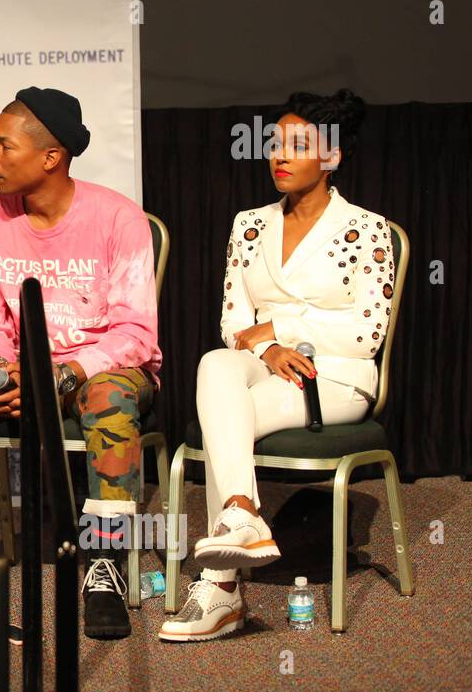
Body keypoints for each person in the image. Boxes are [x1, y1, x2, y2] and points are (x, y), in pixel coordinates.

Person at [0, 88, 162, 641]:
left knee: (109, 397)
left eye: (3, 144)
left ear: (51, 157)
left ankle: (104, 564)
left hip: (96, 372)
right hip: (17, 371)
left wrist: (58, 375)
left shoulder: (118, 218)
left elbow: (135, 333)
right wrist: (1, 371)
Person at [159, 89, 392, 642]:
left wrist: (284, 329)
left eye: (297, 145)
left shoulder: (368, 228)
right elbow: (233, 324)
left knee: (226, 419)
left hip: (336, 376)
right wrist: (266, 348)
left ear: (331, 157)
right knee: (217, 365)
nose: (279, 156)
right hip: (263, 363)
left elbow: (367, 333)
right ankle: (242, 512)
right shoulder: (249, 224)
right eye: (274, 144)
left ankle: (220, 590)